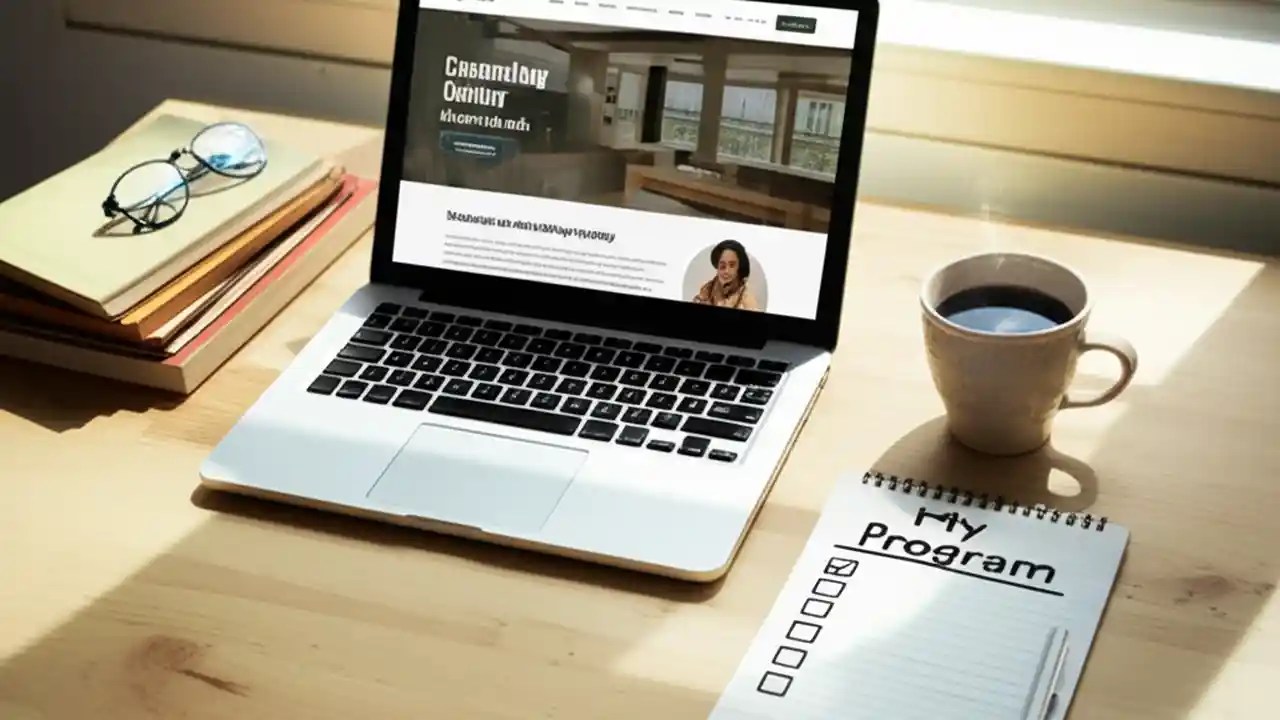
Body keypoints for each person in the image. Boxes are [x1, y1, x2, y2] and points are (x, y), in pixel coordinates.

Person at [691, 239, 762, 311]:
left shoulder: (747, 300)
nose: (726, 271)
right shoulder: (707, 289)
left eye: (732, 266)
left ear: (739, 267)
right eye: (722, 266)